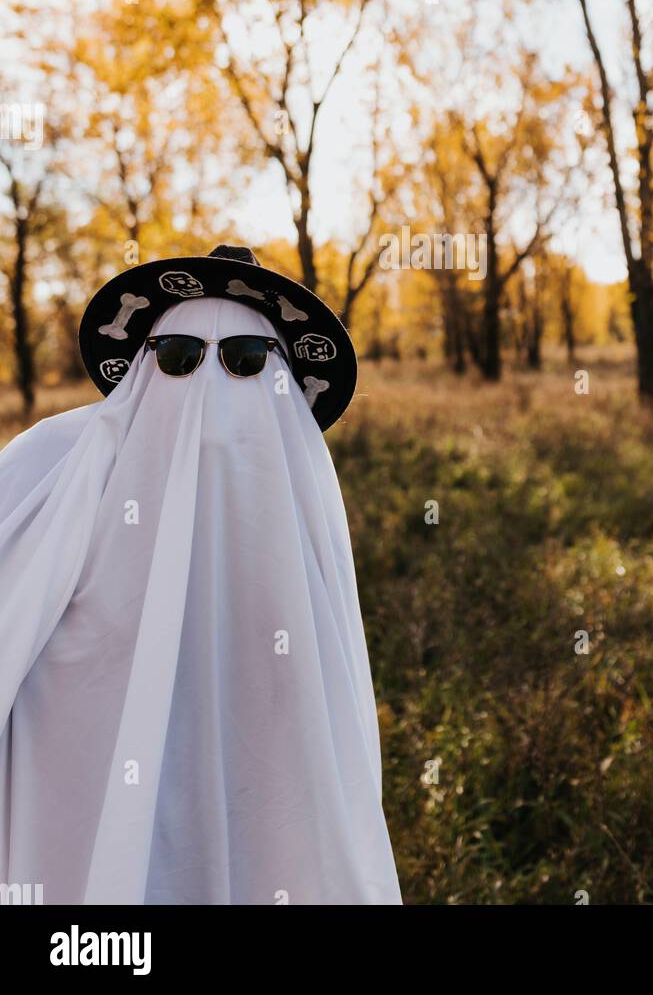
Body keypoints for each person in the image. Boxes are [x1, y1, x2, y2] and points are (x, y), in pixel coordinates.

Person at [0, 245, 401, 905]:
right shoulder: (57, 469)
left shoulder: (301, 500)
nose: (209, 383)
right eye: (179, 358)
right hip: (77, 836)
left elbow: (333, 702)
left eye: (244, 361)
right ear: (143, 364)